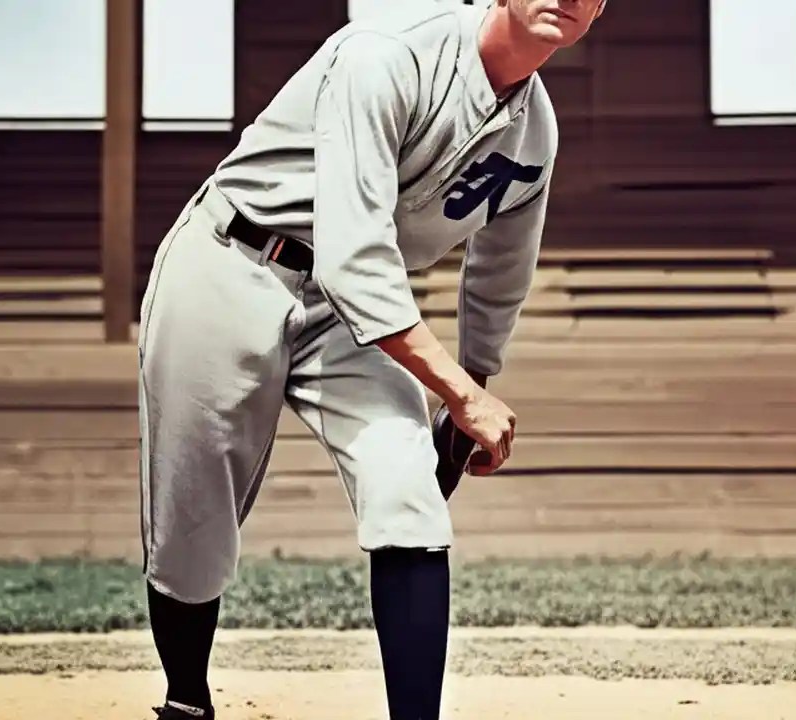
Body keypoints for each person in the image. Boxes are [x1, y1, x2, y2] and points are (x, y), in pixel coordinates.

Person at [137, 1, 606, 717]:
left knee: (407, 488)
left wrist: (474, 378)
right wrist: (459, 393)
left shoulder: (535, 134)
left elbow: (501, 269)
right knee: (193, 513)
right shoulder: (386, 54)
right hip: (232, 259)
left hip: (349, 315)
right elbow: (357, 255)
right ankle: (187, 702)